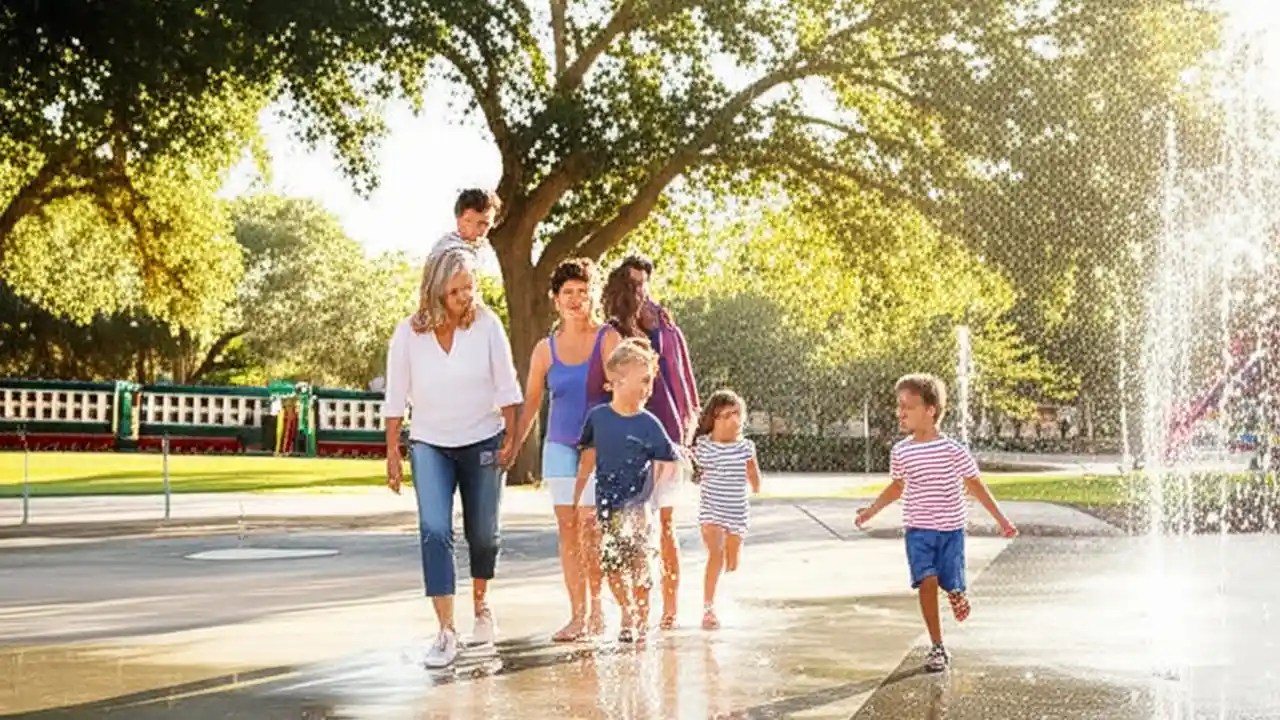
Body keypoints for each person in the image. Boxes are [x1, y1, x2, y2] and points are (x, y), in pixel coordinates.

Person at [382, 246, 523, 669]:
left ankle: (481, 607)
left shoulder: (486, 324)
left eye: (470, 287)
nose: (467, 296)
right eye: (457, 289)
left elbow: (507, 383)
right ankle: (446, 630)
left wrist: (513, 438)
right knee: (434, 530)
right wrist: (392, 451)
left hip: (482, 438)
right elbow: (395, 395)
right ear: (436, 289)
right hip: (429, 442)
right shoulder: (408, 333)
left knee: (483, 533)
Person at [855, 374, 1018, 673]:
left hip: (951, 531)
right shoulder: (901, 451)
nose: (900, 412)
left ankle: (956, 592)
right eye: (899, 406)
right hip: (918, 531)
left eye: (908, 406)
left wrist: (1002, 520)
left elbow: (976, 486)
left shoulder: (953, 451)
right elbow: (897, 487)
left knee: (949, 581)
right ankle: (937, 646)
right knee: (927, 581)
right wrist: (871, 512)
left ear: (930, 410)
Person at [592, 257, 699, 630]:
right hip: (628, 443)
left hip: (667, 437)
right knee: (634, 529)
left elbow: (684, 383)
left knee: (666, 526)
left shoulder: (665, 328)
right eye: (634, 284)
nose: (641, 291)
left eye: (645, 283)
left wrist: (687, 434)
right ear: (620, 289)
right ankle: (636, 611)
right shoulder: (612, 333)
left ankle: (669, 610)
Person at [511, 258, 607, 642]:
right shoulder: (544, 350)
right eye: (568, 292)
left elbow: (631, 383)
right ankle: (577, 615)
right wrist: (514, 444)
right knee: (568, 530)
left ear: (592, 296)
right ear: (555, 299)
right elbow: (532, 403)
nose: (576, 299)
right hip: (558, 449)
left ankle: (599, 611)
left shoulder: (608, 338)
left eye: (583, 292)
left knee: (590, 527)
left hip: (597, 450)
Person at [573, 338, 682, 644]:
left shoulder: (650, 424)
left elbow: (667, 462)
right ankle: (626, 611)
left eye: (650, 381)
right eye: (644, 380)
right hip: (608, 504)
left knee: (641, 562)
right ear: (618, 380)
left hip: (639, 506)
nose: (649, 388)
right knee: (612, 563)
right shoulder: (598, 418)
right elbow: (588, 460)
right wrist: (580, 500)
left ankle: (642, 617)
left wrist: (654, 501)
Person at [690, 390, 761, 630]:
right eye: (726, 415)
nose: (734, 420)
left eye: (737, 414)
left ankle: (726, 597)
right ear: (714, 419)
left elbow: (754, 477)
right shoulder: (703, 446)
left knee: (732, 563)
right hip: (711, 512)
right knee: (716, 555)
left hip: (737, 512)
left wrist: (755, 486)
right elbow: (690, 468)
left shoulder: (745, 448)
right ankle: (708, 609)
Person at [429, 189, 502, 258]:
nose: (475, 230)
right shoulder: (461, 258)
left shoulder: (441, 247)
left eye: (484, 224)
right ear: (458, 220)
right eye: (468, 221)